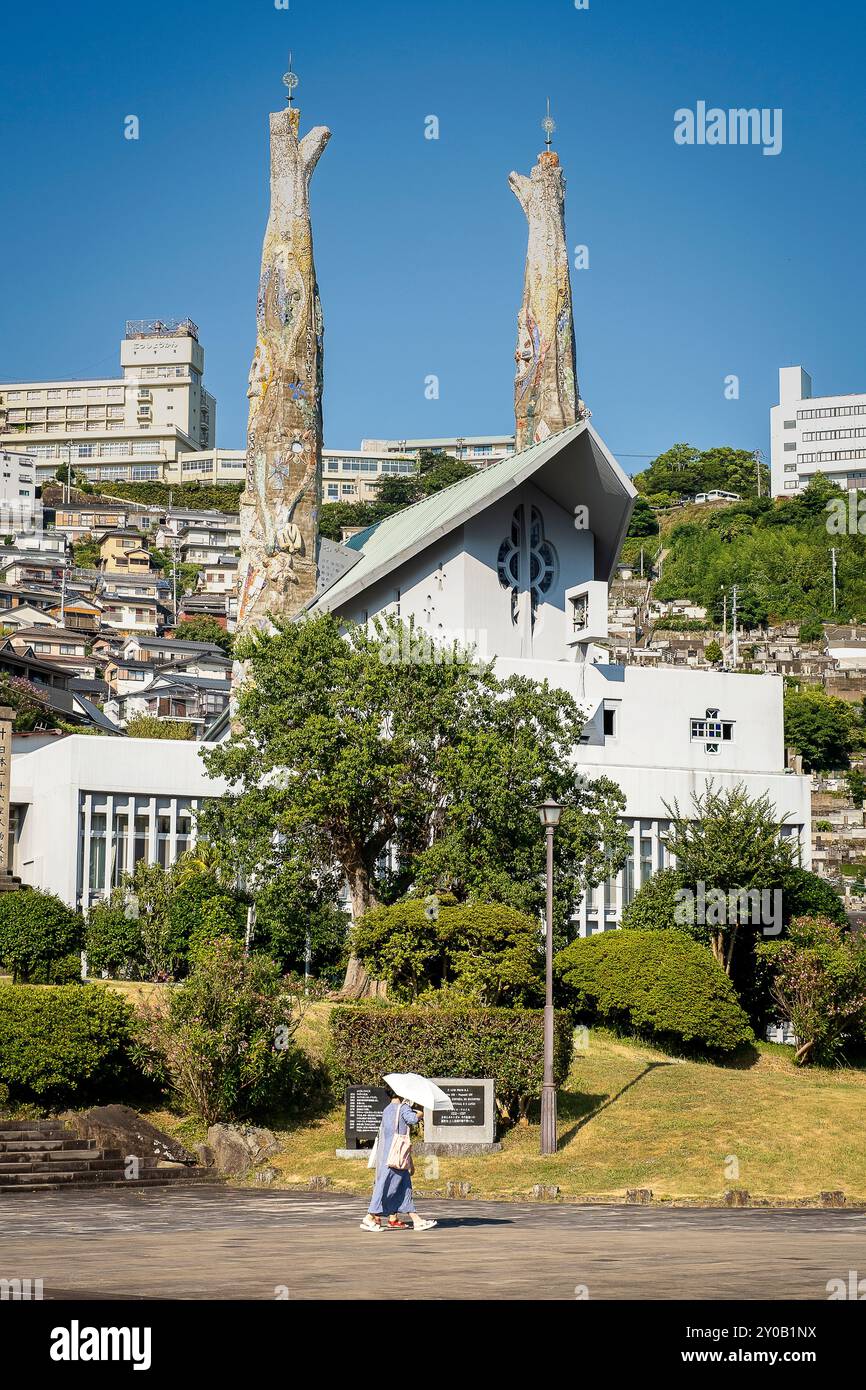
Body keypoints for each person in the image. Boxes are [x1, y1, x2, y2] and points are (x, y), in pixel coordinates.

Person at [360, 1093, 437, 1232]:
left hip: (388, 1154)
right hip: (396, 1156)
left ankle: (416, 1219)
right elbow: (412, 1119)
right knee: (387, 1186)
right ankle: (370, 1216)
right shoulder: (403, 1108)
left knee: (403, 1186)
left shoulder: (387, 1109)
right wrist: (421, 1111)